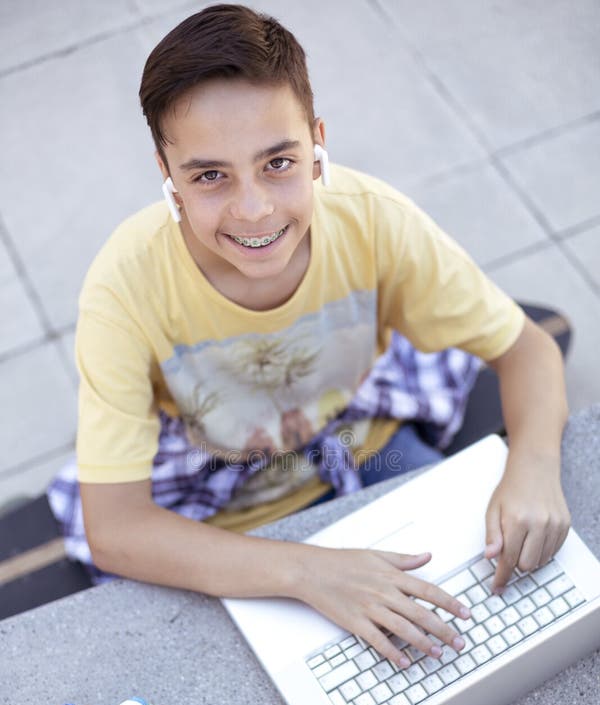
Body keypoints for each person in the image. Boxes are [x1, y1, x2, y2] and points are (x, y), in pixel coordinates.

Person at [48, 4, 570, 669]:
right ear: (167, 174)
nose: (255, 210)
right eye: (210, 175)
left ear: (317, 143)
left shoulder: (373, 219)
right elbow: (117, 530)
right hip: (223, 485)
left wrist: (533, 469)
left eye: (278, 162)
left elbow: (526, 348)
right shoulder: (123, 287)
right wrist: (309, 573)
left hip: (361, 439)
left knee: (490, 624)